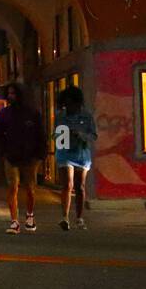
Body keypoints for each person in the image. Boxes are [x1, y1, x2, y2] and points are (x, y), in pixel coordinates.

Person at [0, 83, 45, 235]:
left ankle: (30, 215)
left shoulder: (32, 113)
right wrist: (2, 151)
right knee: (12, 186)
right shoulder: (5, 113)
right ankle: (14, 221)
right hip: (11, 155)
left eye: (13, 93)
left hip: (30, 156)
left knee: (30, 187)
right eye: (9, 93)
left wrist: (40, 154)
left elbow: (40, 134)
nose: (10, 96)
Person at [55, 85, 97, 231]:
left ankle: (79, 218)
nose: (69, 107)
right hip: (65, 152)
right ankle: (65, 217)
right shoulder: (61, 116)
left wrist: (81, 135)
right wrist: (61, 135)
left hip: (81, 153)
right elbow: (58, 135)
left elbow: (93, 135)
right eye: (66, 104)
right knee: (67, 184)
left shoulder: (87, 116)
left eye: (71, 103)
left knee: (80, 186)